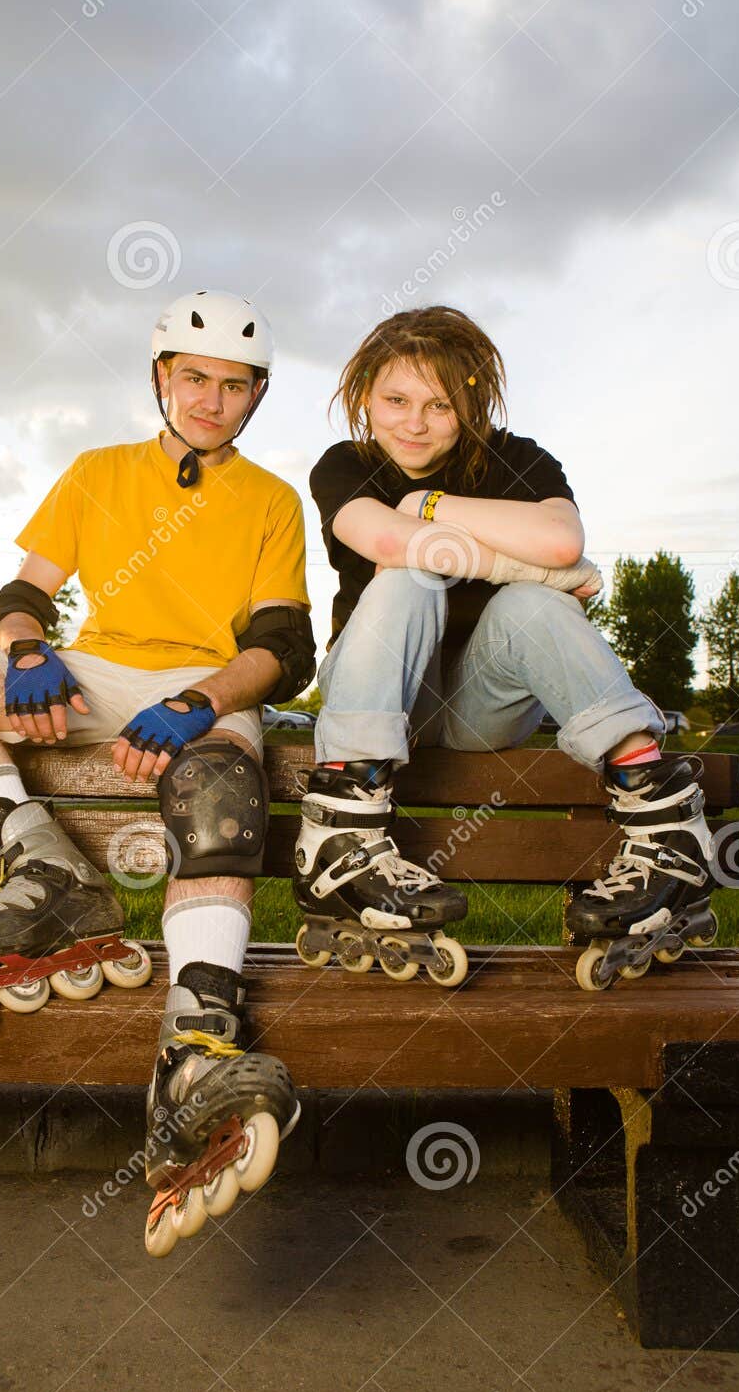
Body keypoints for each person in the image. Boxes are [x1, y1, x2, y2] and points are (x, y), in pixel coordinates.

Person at [0, 289, 310, 1254]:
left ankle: (198, 1043)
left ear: (255, 396)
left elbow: (280, 644)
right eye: (193, 380)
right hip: (89, 675)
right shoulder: (98, 472)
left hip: (200, 685)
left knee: (220, 786)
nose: (211, 402)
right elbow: (20, 593)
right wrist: (21, 649)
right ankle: (45, 867)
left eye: (233, 387)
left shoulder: (271, 499)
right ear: (159, 379)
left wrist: (201, 703)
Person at [297, 305, 716, 992]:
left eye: (438, 405)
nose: (413, 421)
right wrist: (539, 568)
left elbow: (559, 542)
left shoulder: (518, 461)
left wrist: (429, 507)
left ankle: (665, 830)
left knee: (530, 604)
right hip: (374, 695)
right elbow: (384, 542)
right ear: (363, 396)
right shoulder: (346, 465)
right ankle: (343, 844)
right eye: (395, 400)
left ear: (472, 403)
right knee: (407, 577)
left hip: (474, 707)